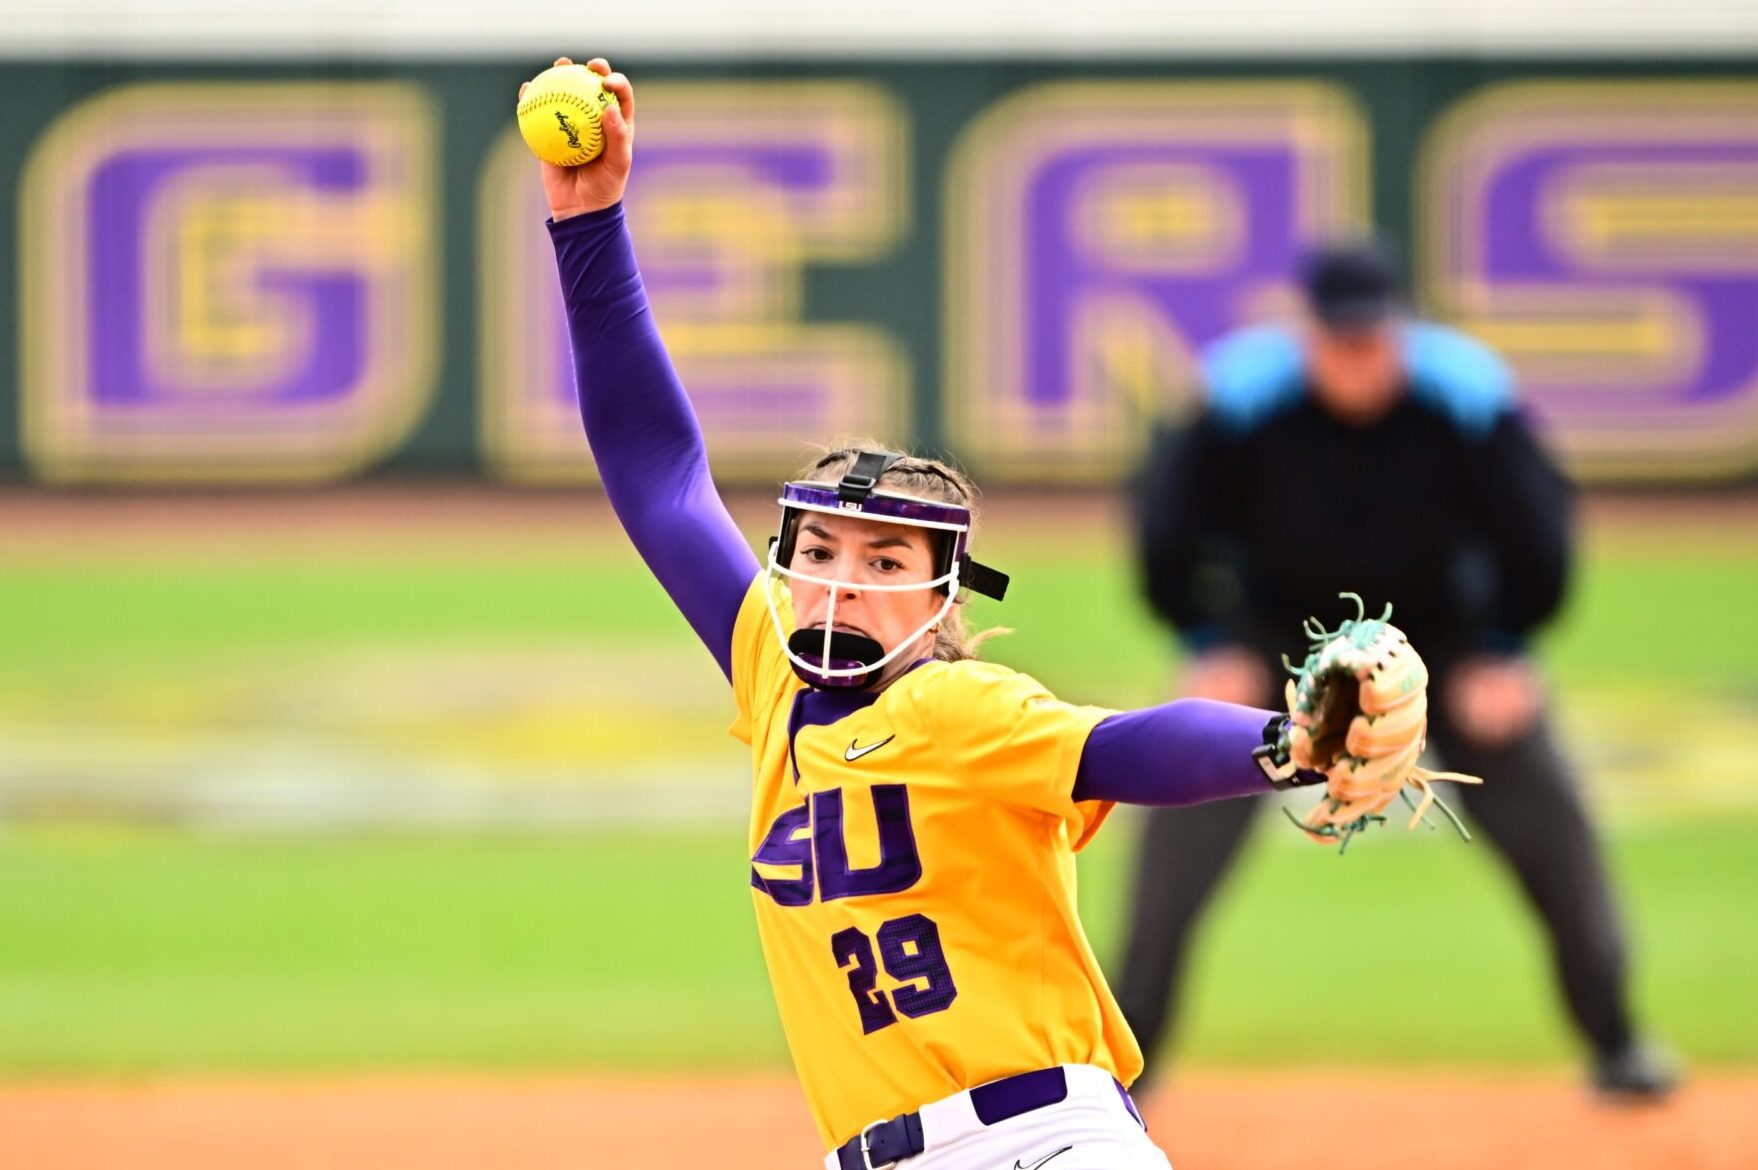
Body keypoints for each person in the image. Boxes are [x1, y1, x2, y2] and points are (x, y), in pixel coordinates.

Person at [529, 57, 1456, 1170]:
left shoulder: (958, 706)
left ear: (938, 596)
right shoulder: (774, 680)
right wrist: (589, 225)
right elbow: (655, 474)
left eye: (883, 559)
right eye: (817, 551)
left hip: (1047, 1144)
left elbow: (1122, 747)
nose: (839, 580)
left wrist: (1286, 746)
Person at [1114, 240, 1676, 1102]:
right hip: (1275, 636)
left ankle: (1619, 1041)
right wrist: (1205, 638)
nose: (1357, 359)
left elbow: (1540, 536)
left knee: (1552, 826)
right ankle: (1125, 1063)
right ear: (1307, 335)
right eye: (1339, 340)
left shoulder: (1464, 391)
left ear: (1398, 327)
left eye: (1372, 338)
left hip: (1445, 639)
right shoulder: (1241, 394)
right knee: (1178, 826)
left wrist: (1505, 652)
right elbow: (1164, 527)